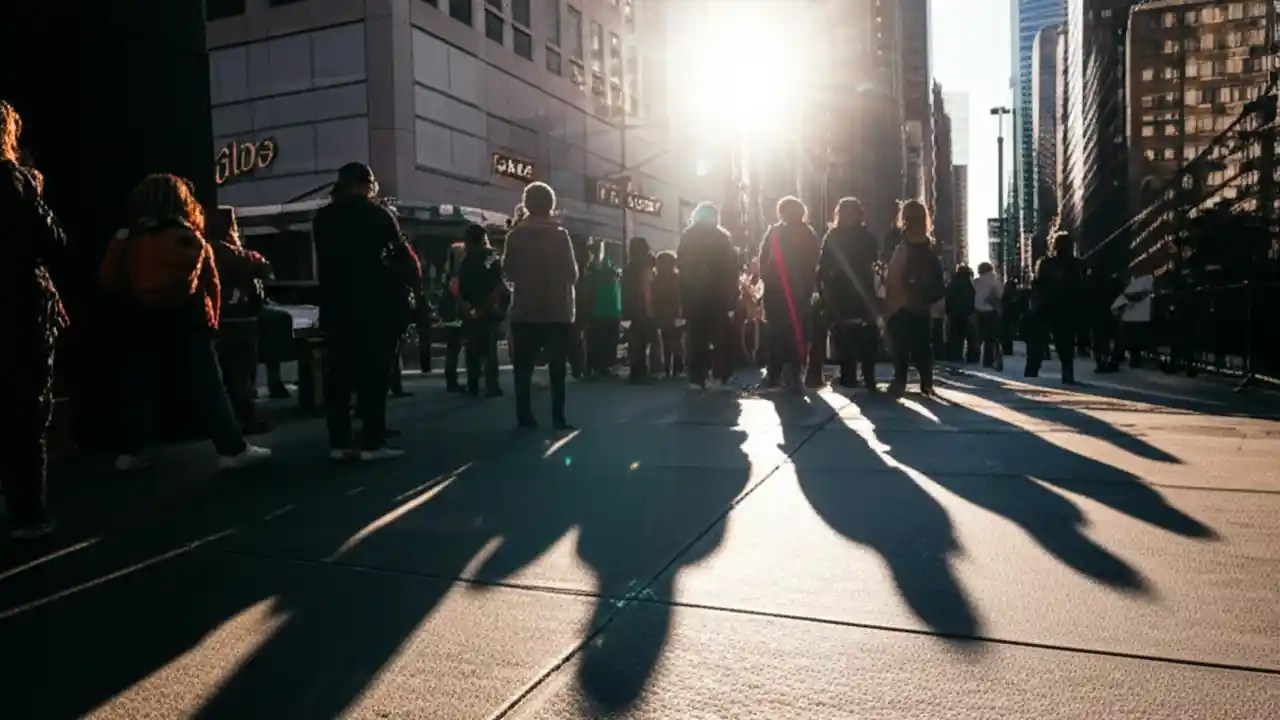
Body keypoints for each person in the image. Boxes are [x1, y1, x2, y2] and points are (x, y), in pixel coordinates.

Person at [101, 174, 272, 471]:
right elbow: (209, 284)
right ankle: (231, 450)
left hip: (141, 320)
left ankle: (130, 453)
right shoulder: (189, 237)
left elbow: (108, 279)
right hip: (188, 319)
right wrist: (212, 321)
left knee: (141, 387)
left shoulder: (128, 239)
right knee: (209, 387)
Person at [0, 101, 69, 538]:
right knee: (25, 413)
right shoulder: (13, 182)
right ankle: (30, 516)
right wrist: (36, 196)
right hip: (17, 308)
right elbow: (52, 243)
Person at [311, 162, 404, 460]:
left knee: (338, 375)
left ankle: (339, 441)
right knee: (374, 375)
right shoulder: (378, 216)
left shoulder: (322, 218)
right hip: (375, 306)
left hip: (336, 305)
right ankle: (372, 441)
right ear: (366, 184)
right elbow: (397, 258)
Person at [503, 181, 578, 429]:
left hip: (525, 309)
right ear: (551, 205)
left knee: (522, 367)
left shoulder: (514, 235)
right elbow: (572, 273)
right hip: (557, 310)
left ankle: (524, 415)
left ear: (526, 204)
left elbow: (508, 272)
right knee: (557, 366)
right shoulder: (560, 235)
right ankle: (558, 416)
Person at [207, 206, 274, 434]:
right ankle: (246, 418)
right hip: (238, 317)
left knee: (225, 374)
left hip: (216, 318)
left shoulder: (203, 247)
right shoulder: (229, 251)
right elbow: (263, 267)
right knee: (242, 372)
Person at [760, 196, 822, 392]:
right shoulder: (808, 233)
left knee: (776, 331)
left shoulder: (774, 232)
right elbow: (814, 262)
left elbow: (763, 261)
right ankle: (794, 372)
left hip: (775, 291)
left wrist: (768, 281)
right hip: (799, 292)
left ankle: (774, 373)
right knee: (798, 330)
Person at [818, 197, 881, 390]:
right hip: (863, 292)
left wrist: (824, 287)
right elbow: (874, 261)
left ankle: (849, 376)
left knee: (845, 335)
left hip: (840, 293)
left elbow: (823, 266)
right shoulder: (867, 237)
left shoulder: (832, 236)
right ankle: (869, 377)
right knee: (867, 335)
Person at [883, 200, 945, 396]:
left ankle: (900, 380)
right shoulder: (930, 244)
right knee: (922, 342)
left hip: (900, 301)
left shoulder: (899, 241)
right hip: (921, 301)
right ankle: (926, 380)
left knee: (900, 342)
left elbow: (891, 270)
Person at [677, 202, 739, 390]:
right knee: (721, 338)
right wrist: (731, 299)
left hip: (694, 296)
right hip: (718, 296)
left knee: (696, 338)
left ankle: (697, 377)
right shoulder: (722, 239)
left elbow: (682, 269)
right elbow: (731, 271)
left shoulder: (688, 237)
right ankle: (721, 375)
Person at [1026, 231, 1086, 383]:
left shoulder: (1045, 263)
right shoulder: (1077, 264)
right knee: (1066, 343)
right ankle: (1067, 374)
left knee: (1038, 340)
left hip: (1046, 307)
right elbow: (1081, 287)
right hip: (1067, 308)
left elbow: (1036, 285)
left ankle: (1032, 371)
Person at [456, 223, 504, 397]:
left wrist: (464, 304)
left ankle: (473, 384)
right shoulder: (491, 256)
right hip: (488, 306)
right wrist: (491, 302)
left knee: (472, 348)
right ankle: (492, 385)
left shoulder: (466, 260)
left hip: (471, 307)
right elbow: (498, 281)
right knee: (489, 348)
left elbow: (459, 285)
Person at [386, 230, 423, 398]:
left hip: (391, 305)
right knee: (393, 348)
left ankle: (391, 385)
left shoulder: (388, 258)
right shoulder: (405, 258)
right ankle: (394, 385)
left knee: (389, 349)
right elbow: (414, 277)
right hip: (399, 305)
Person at [622, 236, 657, 383]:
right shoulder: (647, 266)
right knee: (643, 341)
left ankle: (635, 371)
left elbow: (625, 290)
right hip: (646, 307)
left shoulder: (629, 268)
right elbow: (649, 287)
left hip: (632, 308)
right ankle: (643, 371)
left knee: (635, 341)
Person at [585, 243, 622, 379]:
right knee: (609, 341)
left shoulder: (591, 269)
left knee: (595, 340)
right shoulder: (611, 269)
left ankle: (593, 366)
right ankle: (604, 367)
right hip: (611, 309)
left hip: (598, 309)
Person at [439, 240, 467, 392]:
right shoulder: (459, 273)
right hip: (457, 311)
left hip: (449, 311)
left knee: (453, 345)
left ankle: (451, 379)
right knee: (455, 345)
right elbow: (456, 291)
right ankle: (452, 380)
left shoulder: (448, 273)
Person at [652, 251, 684, 378]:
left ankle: (666, 368)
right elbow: (681, 296)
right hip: (675, 314)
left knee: (665, 342)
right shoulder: (677, 278)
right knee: (676, 341)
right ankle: (677, 367)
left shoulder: (656, 279)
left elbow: (654, 298)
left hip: (661, 315)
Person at [1113, 271, 1154, 368]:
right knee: (1132, 339)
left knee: (1127, 338)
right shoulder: (1141, 285)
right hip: (1135, 317)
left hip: (1132, 317)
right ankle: (1132, 359)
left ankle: (1120, 357)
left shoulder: (1135, 287)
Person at [972, 261, 1004, 370]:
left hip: (978, 311)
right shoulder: (995, 282)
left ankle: (974, 356)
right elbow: (1000, 295)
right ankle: (989, 360)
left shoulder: (976, 282)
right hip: (991, 311)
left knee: (979, 336)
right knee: (991, 337)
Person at [944, 265, 976, 362]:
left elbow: (948, 298)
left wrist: (948, 311)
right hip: (966, 314)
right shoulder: (968, 284)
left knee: (955, 336)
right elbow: (972, 297)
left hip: (954, 314)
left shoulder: (952, 283)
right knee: (969, 336)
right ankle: (971, 356)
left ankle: (954, 355)